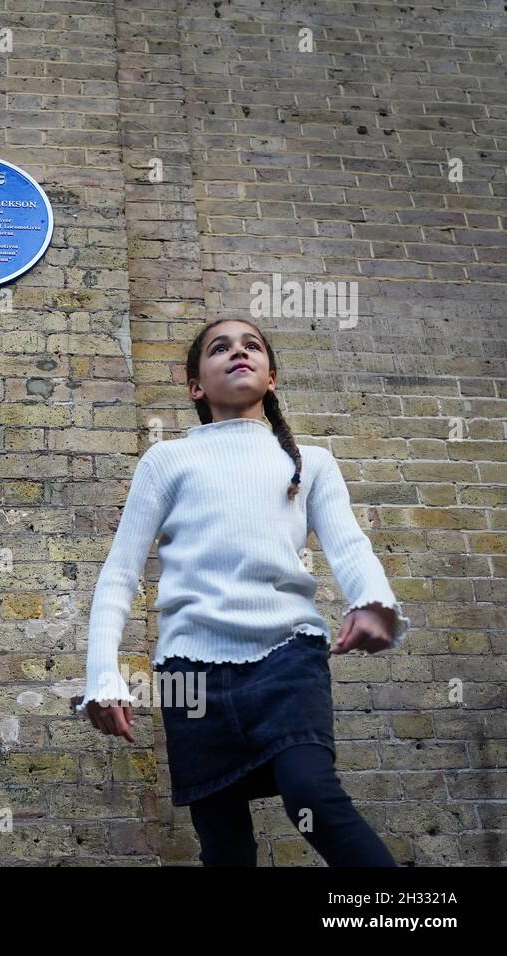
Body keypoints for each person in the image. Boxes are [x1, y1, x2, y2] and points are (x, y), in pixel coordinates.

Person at [77, 318, 409, 866]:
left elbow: (349, 544)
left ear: (271, 376)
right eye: (220, 348)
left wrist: (373, 601)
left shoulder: (312, 463)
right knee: (224, 845)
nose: (239, 352)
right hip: (192, 676)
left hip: (288, 659)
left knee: (312, 796)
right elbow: (119, 572)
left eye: (251, 346)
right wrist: (102, 676)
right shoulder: (168, 460)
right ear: (196, 386)